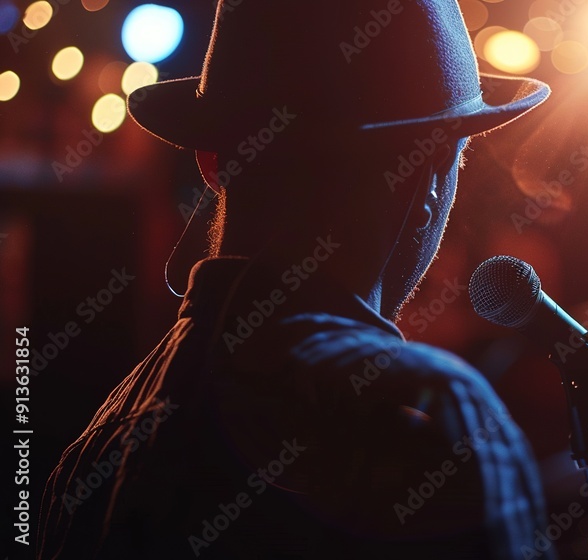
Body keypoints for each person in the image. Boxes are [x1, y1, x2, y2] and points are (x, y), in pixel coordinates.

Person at [37, 2, 553, 559]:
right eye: (457, 161)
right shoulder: (437, 415)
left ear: (211, 162)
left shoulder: (97, 449)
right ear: (428, 177)